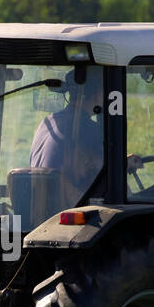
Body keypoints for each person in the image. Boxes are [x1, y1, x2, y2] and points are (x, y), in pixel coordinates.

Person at [29, 70, 104, 207]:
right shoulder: (86, 127)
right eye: (104, 89)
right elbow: (105, 169)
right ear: (97, 93)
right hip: (67, 210)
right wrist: (123, 166)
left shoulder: (47, 123)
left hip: (39, 208)